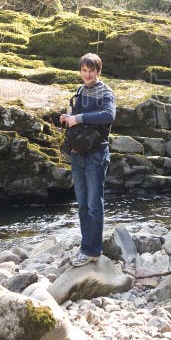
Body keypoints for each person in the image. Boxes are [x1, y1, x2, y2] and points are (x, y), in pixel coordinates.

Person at [60, 53, 116, 267]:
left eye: (91, 70)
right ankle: (86, 247)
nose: (87, 74)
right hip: (77, 153)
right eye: (84, 70)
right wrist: (67, 119)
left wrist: (79, 118)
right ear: (80, 71)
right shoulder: (81, 91)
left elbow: (109, 116)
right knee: (82, 204)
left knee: (94, 205)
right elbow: (77, 120)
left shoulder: (106, 92)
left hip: (96, 154)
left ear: (98, 71)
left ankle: (93, 251)